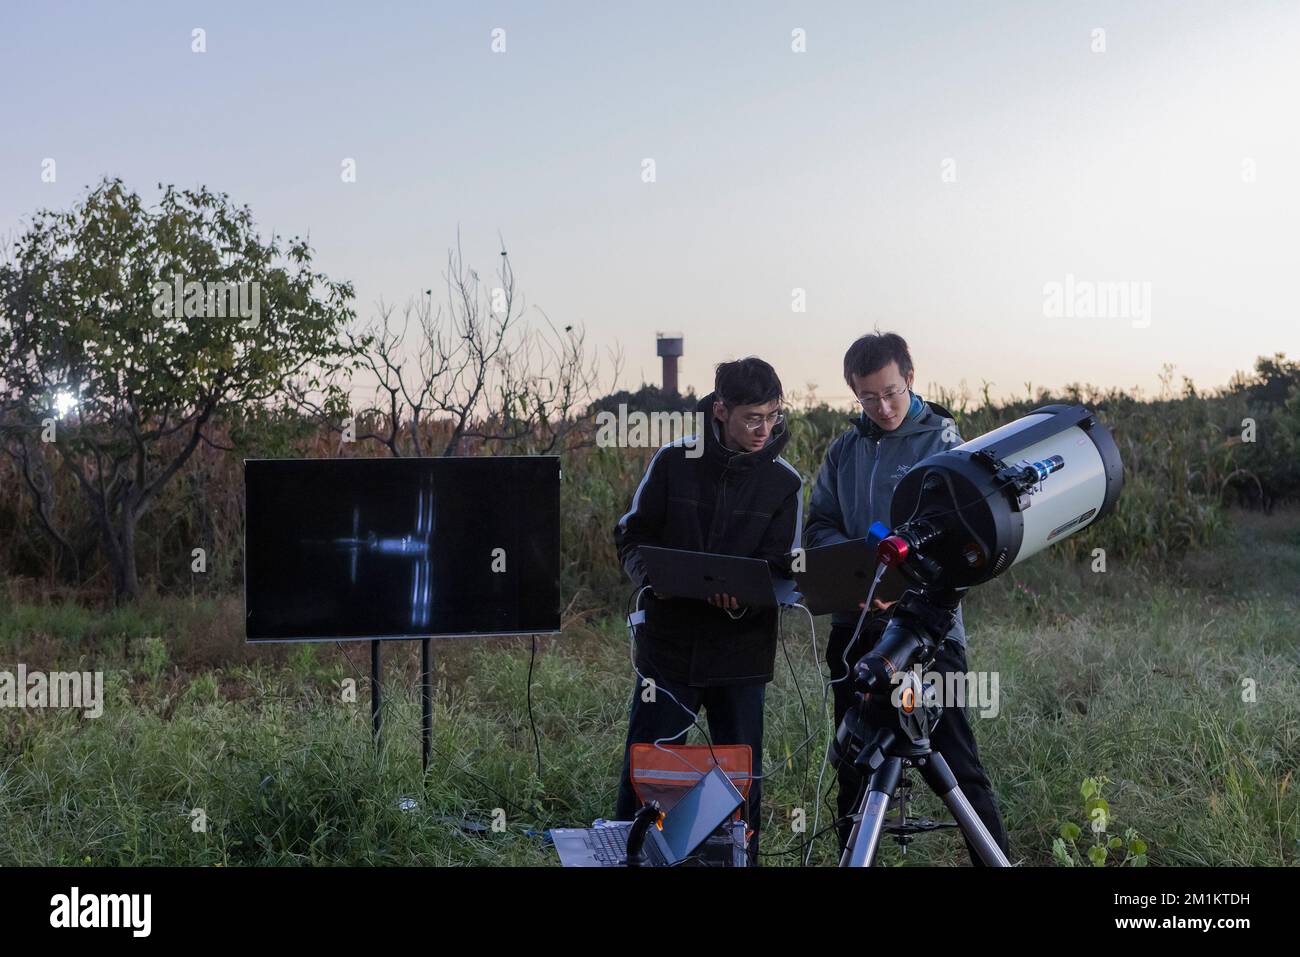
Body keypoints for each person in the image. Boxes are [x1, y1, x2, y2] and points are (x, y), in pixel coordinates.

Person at [804, 331, 1010, 864]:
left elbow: (964, 534)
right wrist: (856, 569)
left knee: (957, 762)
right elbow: (820, 523)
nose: (883, 406)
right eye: (868, 397)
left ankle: (995, 856)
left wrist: (903, 588)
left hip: (926, 632)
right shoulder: (845, 450)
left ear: (911, 378)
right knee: (853, 760)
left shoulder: (944, 441)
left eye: (891, 392)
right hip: (856, 630)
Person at [613, 357, 803, 861]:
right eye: (752, 418)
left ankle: (742, 860)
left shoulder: (785, 484)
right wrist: (657, 580)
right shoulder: (673, 462)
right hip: (668, 649)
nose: (765, 429)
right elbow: (632, 535)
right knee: (647, 772)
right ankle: (631, 856)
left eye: (772, 416)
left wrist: (742, 597)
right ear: (721, 410)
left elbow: (783, 569)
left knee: (741, 780)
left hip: (742, 654)